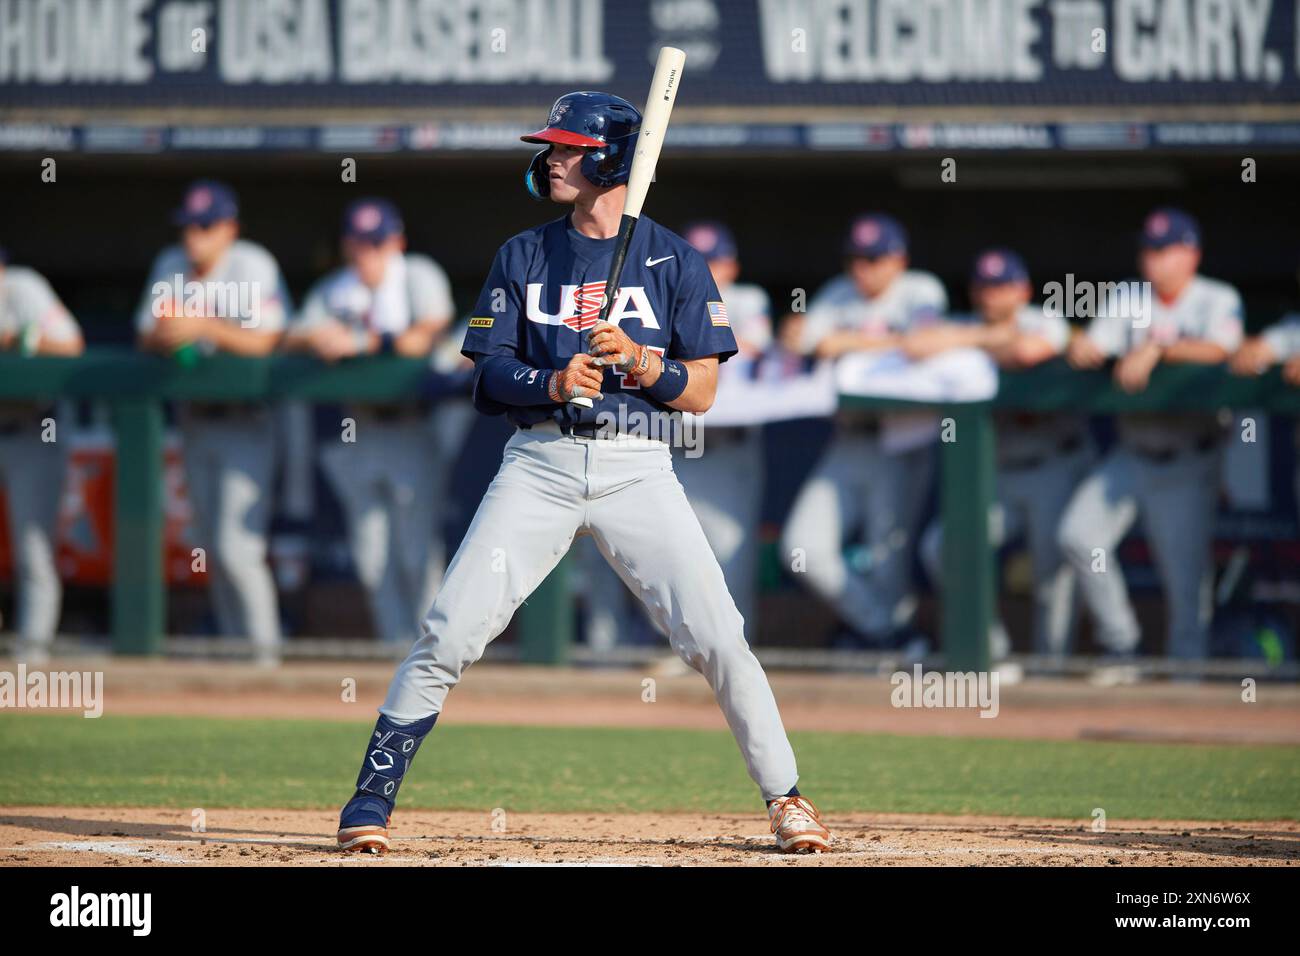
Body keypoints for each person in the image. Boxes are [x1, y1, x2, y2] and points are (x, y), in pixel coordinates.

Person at [334, 91, 830, 856]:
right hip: (540, 462)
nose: (554, 158)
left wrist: (638, 359)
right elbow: (487, 377)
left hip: (639, 466)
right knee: (449, 631)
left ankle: (787, 798)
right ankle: (370, 798)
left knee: (720, 638)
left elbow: (700, 392)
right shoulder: (524, 253)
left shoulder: (674, 259)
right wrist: (555, 382)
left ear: (612, 159)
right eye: (555, 147)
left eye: (570, 147)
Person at [1060, 209, 1242, 662]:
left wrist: (1158, 348)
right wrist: (1083, 345)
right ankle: (1123, 644)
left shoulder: (1215, 298)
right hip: (1133, 452)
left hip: (1187, 456)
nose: (1154, 259)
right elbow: (1097, 344)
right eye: (1148, 249)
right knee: (1079, 536)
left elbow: (1224, 349)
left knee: (1184, 587)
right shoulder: (1127, 295)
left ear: (1192, 254)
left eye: (1165, 250)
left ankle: (1187, 690)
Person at [285, 199, 454, 646]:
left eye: (377, 243)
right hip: (358, 426)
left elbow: (428, 334)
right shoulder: (335, 289)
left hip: (411, 426)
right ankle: (394, 649)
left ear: (395, 241)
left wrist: (360, 340)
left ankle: (431, 652)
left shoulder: (416, 273)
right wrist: (318, 338)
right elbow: (293, 334)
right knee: (371, 555)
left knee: (416, 552)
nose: (368, 254)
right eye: (359, 244)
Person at [908, 249, 1090, 659]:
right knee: (942, 547)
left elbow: (1027, 351)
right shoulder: (969, 324)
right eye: (984, 287)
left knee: (1052, 576)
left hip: (1054, 462)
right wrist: (986, 339)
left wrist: (966, 346)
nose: (992, 296)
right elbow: (916, 345)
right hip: (998, 474)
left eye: (1002, 286)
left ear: (1022, 289)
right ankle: (992, 650)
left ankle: (1052, 668)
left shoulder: (1044, 317)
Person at [135, 180, 288, 665]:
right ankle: (236, 658)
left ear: (229, 228)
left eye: (206, 226)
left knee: (237, 548)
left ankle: (266, 661)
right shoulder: (168, 265)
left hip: (248, 421)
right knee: (213, 550)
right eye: (188, 226)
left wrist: (203, 325)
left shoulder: (253, 263)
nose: (194, 237)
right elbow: (144, 335)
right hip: (196, 420)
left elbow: (267, 341)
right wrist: (166, 331)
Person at [780, 214, 946, 651]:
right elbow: (799, 338)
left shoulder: (921, 290)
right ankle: (886, 632)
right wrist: (809, 335)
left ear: (898, 259)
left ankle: (889, 644)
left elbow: (922, 344)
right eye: (856, 259)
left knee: (887, 561)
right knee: (803, 549)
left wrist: (845, 341)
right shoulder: (838, 293)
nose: (863, 269)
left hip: (901, 440)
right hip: (849, 439)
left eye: (874, 259)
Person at [672, 220, 772, 630]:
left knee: (731, 552)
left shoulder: (748, 299)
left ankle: (734, 651)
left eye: (712, 261)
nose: (704, 270)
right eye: (695, 260)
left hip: (728, 447)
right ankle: (676, 648)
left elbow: (749, 348)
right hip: (675, 445)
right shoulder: (663, 294)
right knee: (670, 555)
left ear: (730, 265)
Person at [0, 249, 84, 663]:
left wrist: (18, 339)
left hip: (34, 427)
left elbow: (72, 345)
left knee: (33, 550)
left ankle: (31, 656)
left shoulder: (23, 287)